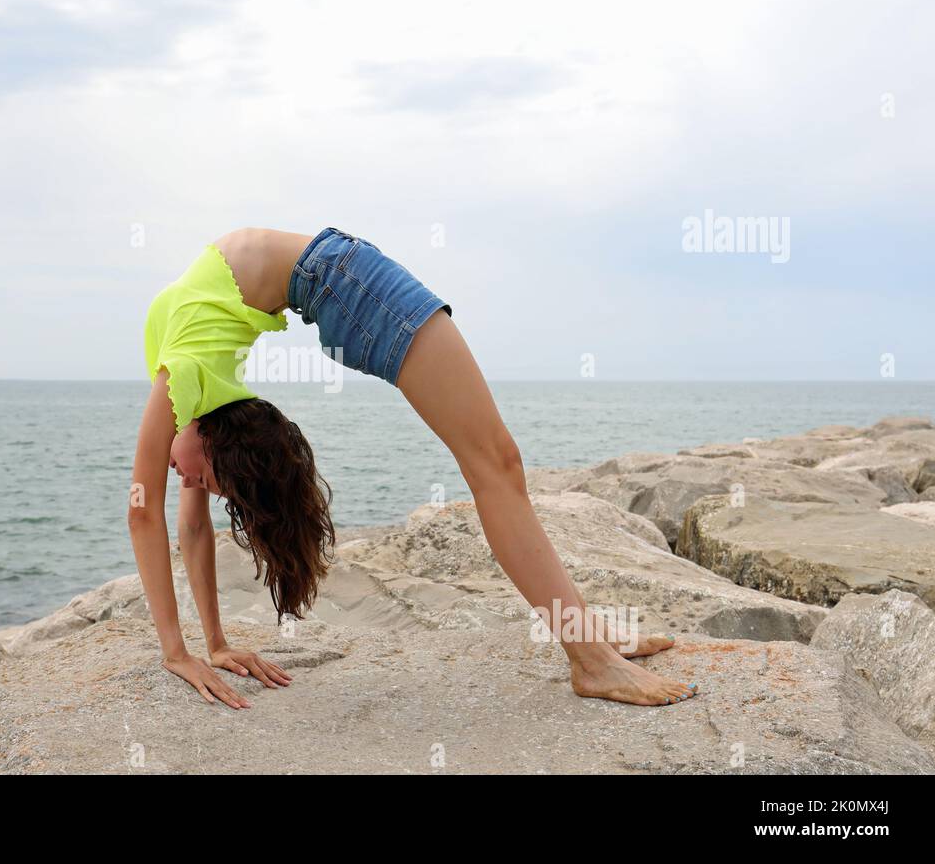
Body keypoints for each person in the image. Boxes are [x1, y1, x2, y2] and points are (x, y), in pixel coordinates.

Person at [127, 226, 698, 710]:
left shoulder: (182, 378)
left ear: (220, 446)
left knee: (496, 465)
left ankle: (589, 649)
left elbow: (144, 513)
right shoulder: (199, 410)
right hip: (335, 279)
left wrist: (180, 651)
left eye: (201, 480)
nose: (190, 485)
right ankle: (589, 651)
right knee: (497, 464)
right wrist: (213, 644)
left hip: (342, 281)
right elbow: (191, 526)